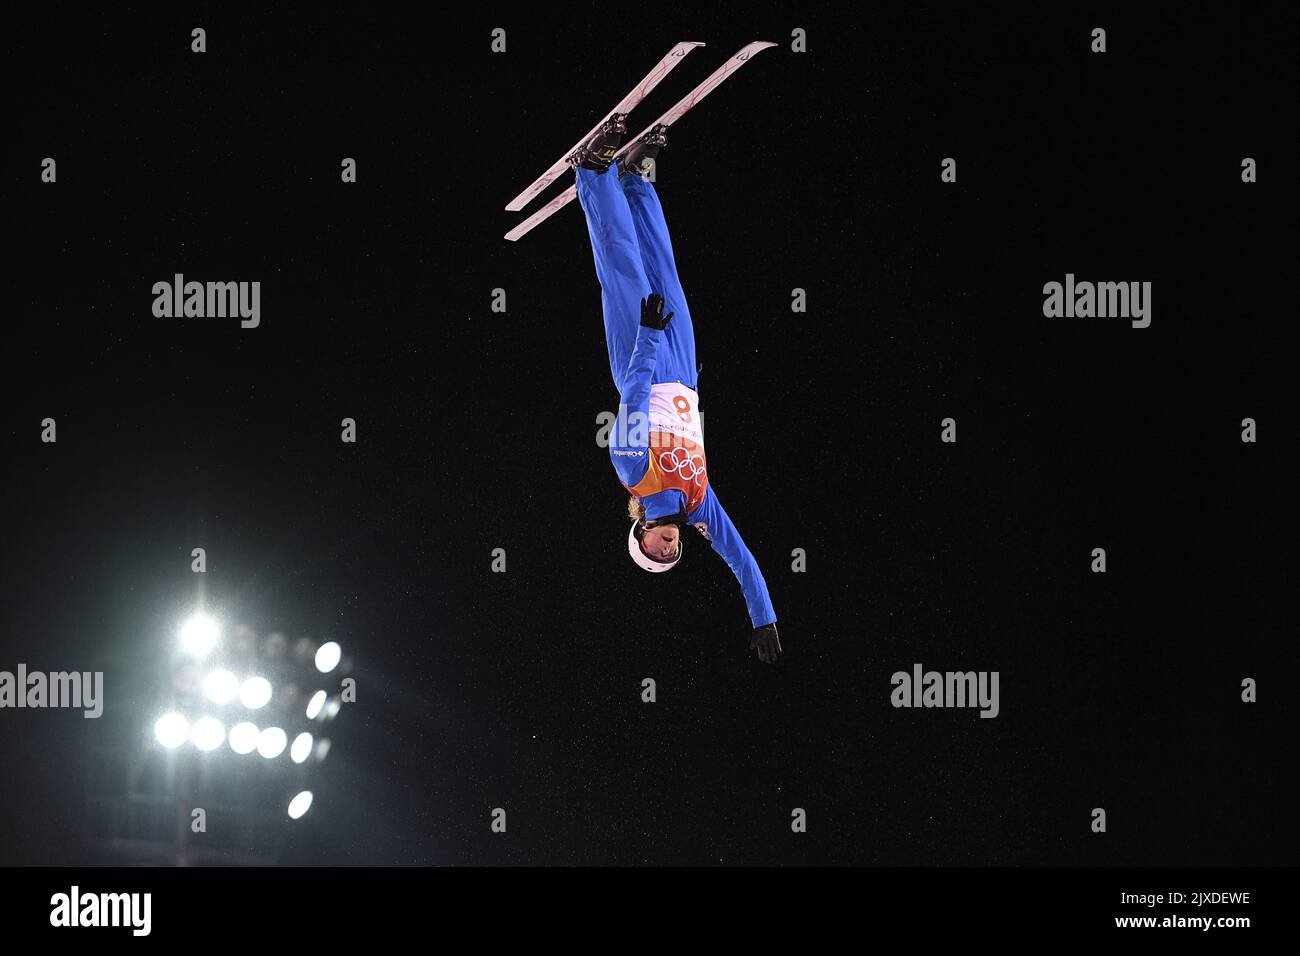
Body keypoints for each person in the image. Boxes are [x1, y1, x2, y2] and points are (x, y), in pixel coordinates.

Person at [572, 117, 782, 663]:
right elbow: (741, 558)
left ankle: (594, 174)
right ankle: (635, 178)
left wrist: (643, 336)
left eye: (657, 553)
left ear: (639, 538)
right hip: (685, 371)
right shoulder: (698, 504)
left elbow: (633, 401)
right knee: (665, 270)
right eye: (674, 554)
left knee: (623, 270)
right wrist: (764, 618)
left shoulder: (632, 473)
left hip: (640, 360)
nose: (670, 550)